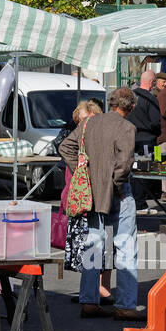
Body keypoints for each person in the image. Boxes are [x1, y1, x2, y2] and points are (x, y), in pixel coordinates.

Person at [59, 86, 139, 320]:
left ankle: (89, 301)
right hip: (117, 191)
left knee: (93, 243)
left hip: (93, 190)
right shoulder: (127, 127)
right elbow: (124, 165)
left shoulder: (89, 123)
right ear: (131, 107)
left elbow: (65, 147)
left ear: (111, 103)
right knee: (125, 246)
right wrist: (113, 184)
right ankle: (125, 305)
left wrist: (83, 172)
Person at [60, 99, 113, 304]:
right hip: (81, 199)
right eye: (79, 121)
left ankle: (99, 289)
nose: (81, 125)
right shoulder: (77, 141)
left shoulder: (98, 135)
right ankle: (91, 290)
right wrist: (80, 171)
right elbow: (65, 150)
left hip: (94, 196)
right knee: (90, 244)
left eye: (84, 120)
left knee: (101, 242)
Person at [127, 69, 162, 208]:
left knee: (134, 169)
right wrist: (157, 132)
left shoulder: (131, 97)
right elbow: (155, 122)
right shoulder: (150, 99)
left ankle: (136, 199)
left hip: (131, 139)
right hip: (147, 140)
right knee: (145, 169)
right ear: (152, 82)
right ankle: (140, 201)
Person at [154, 73, 166, 145]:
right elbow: (164, 112)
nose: (165, 84)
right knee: (158, 155)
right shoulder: (157, 94)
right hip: (160, 134)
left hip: (160, 134)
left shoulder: (162, 93)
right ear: (157, 82)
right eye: (163, 82)